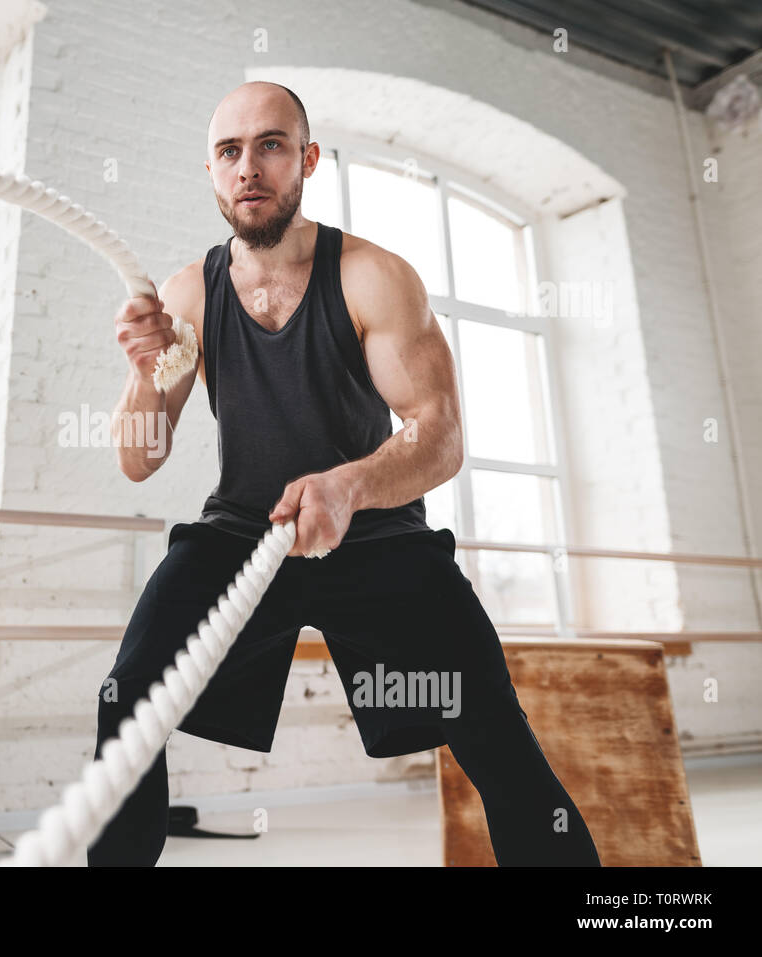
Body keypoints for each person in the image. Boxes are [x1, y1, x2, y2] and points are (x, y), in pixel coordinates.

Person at [90, 81, 601, 867]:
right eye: (230, 151)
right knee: (127, 702)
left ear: (309, 159)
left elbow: (441, 436)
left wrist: (349, 485)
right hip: (241, 535)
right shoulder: (189, 293)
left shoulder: (372, 276)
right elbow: (138, 458)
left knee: (489, 718)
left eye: (270, 145)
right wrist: (141, 373)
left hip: (377, 534)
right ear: (211, 171)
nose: (249, 168)